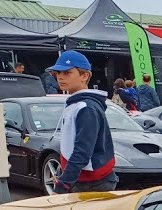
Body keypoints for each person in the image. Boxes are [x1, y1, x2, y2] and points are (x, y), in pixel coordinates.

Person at [47, 50, 117, 194]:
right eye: (57, 73)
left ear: (85, 76)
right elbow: (70, 146)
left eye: (67, 73)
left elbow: (82, 152)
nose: (60, 77)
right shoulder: (76, 104)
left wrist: (62, 185)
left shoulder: (85, 107)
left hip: (93, 185)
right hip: (83, 182)